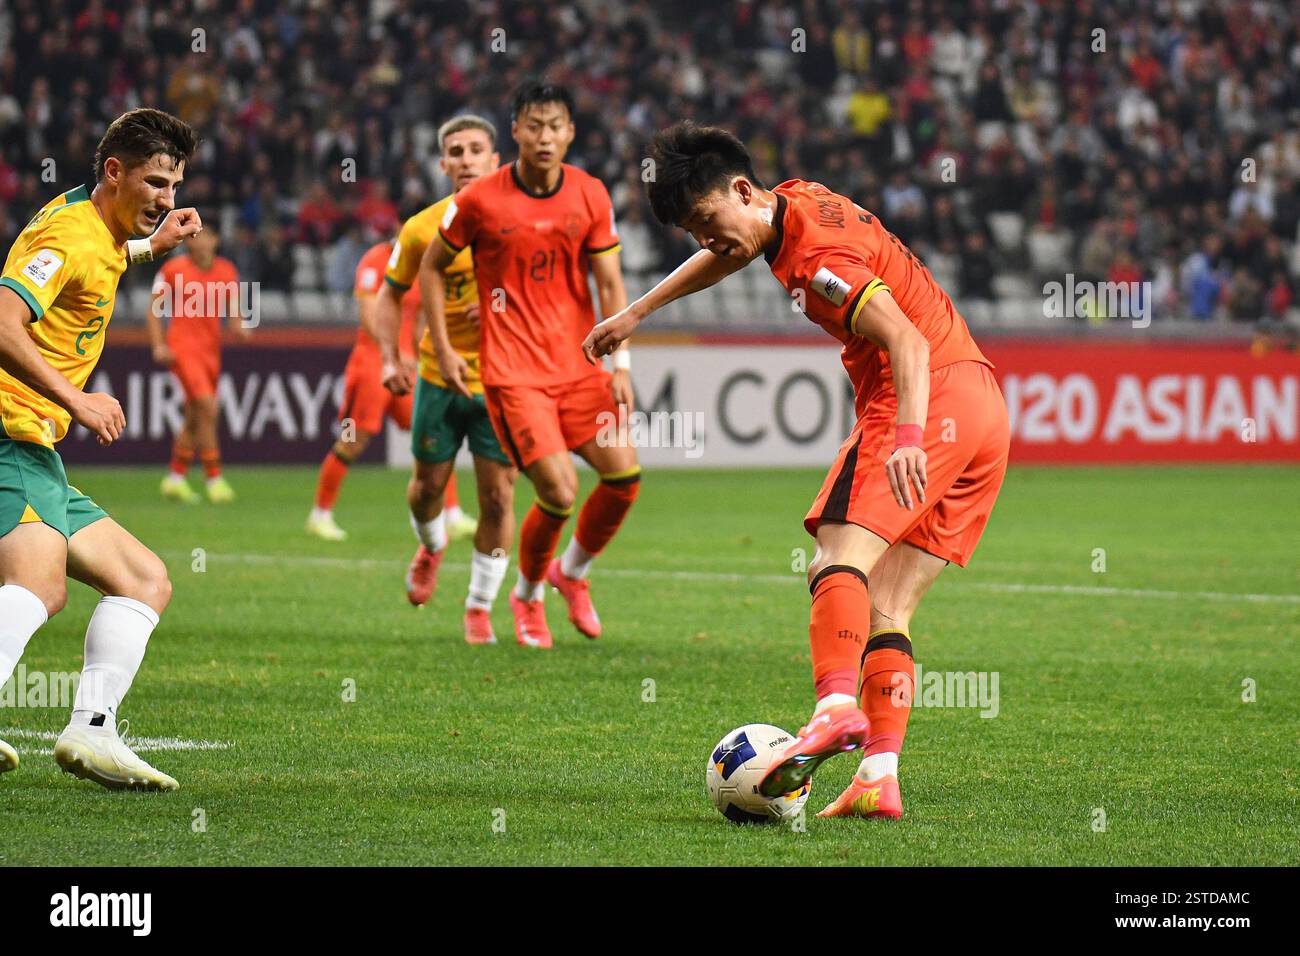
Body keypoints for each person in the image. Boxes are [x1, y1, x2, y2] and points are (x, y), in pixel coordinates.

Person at [584, 122, 1010, 820]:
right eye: (692, 229)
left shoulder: (818, 266)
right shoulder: (789, 203)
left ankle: (836, 708)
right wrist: (638, 312)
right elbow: (734, 248)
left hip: (922, 397)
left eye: (706, 220)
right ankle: (878, 775)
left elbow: (901, 335)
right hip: (982, 406)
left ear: (742, 190)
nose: (704, 240)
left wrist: (906, 435)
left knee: (832, 563)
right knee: (886, 608)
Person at [0, 107, 203, 790]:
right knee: (37, 584)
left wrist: (154, 248)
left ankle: (92, 732)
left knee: (143, 579)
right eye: (155, 183)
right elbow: (2, 321)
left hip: (34, 449)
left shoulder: (95, 222)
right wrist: (76, 399)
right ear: (114, 173)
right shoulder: (69, 232)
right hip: (10, 433)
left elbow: (102, 255)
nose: (166, 199)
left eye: (173, 186)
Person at [403, 81, 640, 649]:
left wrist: (622, 360)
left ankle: (570, 573)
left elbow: (608, 280)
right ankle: (527, 596)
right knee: (557, 492)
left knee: (624, 479)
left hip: (578, 367)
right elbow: (431, 270)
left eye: (555, 126)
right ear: (515, 132)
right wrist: (444, 343)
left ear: (571, 133)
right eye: (533, 126)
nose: (544, 137)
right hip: (512, 376)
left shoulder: (590, 194)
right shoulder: (481, 199)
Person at [376, 115, 516, 643]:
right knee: (426, 489)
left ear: (494, 159)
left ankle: (479, 607)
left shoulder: (520, 226)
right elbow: (390, 293)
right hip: (437, 375)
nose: (463, 159)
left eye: (474, 149)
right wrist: (391, 358)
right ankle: (432, 545)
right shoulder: (420, 228)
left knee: (498, 498)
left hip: (502, 383)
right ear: (442, 164)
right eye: (454, 151)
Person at [306, 237, 475, 542]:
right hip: (373, 362)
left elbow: (424, 316)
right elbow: (370, 315)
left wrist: (422, 352)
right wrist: (395, 353)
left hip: (407, 366)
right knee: (352, 441)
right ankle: (320, 514)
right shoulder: (375, 259)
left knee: (433, 435)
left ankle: (452, 514)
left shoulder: (425, 262)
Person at [145, 226, 248, 504]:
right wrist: (159, 345)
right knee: (207, 407)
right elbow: (154, 311)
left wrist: (240, 329)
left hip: (211, 353)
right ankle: (214, 478)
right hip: (183, 350)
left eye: (205, 236)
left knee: (194, 415)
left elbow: (235, 316)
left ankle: (175, 478)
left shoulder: (227, 271)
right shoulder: (172, 270)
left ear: (216, 240)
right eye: (194, 237)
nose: (200, 242)